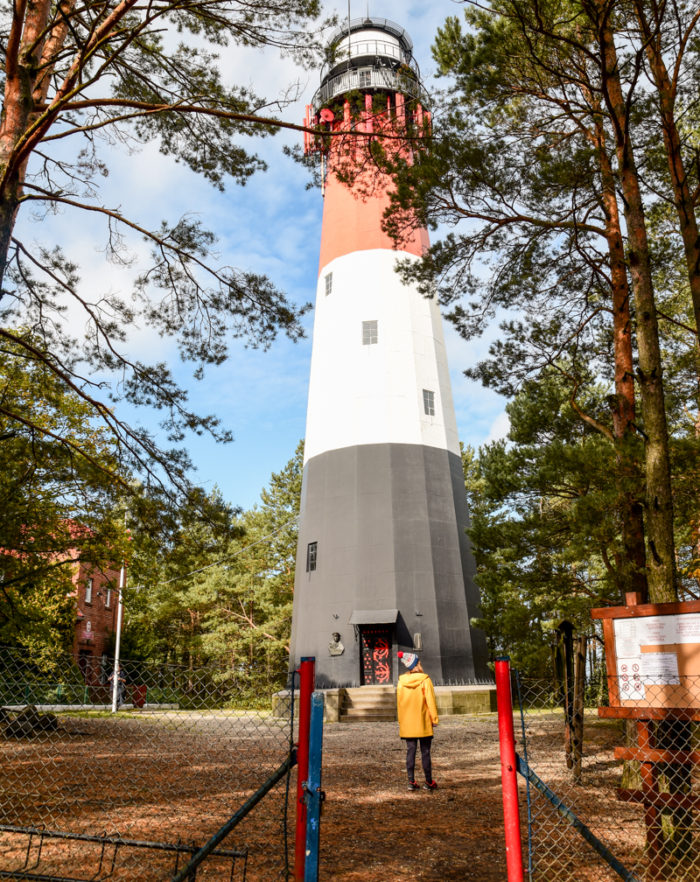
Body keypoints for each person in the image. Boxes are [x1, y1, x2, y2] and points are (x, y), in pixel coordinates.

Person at [396, 651, 439, 791]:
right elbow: (430, 701)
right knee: (425, 751)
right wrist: (434, 718)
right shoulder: (425, 680)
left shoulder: (401, 682)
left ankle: (411, 782)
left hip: (408, 722)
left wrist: (401, 720)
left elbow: (400, 703)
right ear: (416, 664)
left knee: (411, 751)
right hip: (423, 721)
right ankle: (428, 782)